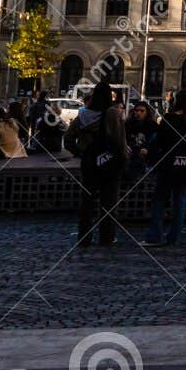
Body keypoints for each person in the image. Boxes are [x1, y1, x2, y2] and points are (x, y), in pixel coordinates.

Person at [71, 81, 129, 248]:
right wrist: (123, 159)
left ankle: (84, 238)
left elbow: (68, 138)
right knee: (109, 201)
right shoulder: (113, 112)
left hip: (89, 164)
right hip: (109, 162)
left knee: (87, 202)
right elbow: (119, 140)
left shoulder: (83, 114)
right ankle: (106, 237)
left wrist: (81, 152)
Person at [143, 91, 186, 245]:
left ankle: (155, 236)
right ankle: (173, 237)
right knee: (180, 201)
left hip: (169, 165)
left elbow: (160, 140)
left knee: (159, 200)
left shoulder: (169, 119)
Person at [124, 98, 161, 182]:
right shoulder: (128, 124)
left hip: (145, 156)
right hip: (130, 154)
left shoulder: (152, 125)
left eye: (142, 111)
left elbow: (158, 142)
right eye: (136, 110)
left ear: (147, 112)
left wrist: (149, 150)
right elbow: (123, 138)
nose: (138, 113)